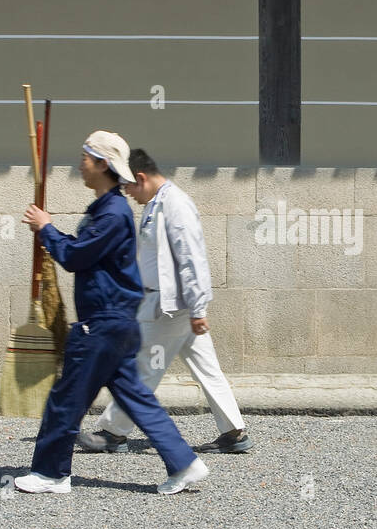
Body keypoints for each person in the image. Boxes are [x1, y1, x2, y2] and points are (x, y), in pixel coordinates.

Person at [12, 130, 209, 496]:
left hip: (101, 325)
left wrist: (46, 229)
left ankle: (51, 473)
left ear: (103, 164)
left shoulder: (113, 213)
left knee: (65, 399)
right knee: (137, 398)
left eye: (85, 157)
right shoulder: (106, 210)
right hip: (115, 324)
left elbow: (74, 257)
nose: (80, 164)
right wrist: (50, 233)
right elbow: (80, 250)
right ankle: (184, 464)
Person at [78, 148, 250, 455]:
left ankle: (112, 432)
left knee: (143, 366)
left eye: (128, 185)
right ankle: (234, 432)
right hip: (168, 304)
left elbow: (191, 258)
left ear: (141, 178)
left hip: (170, 308)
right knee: (206, 367)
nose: (126, 193)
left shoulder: (175, 205)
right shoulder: (157, 204)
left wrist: (198, 309)